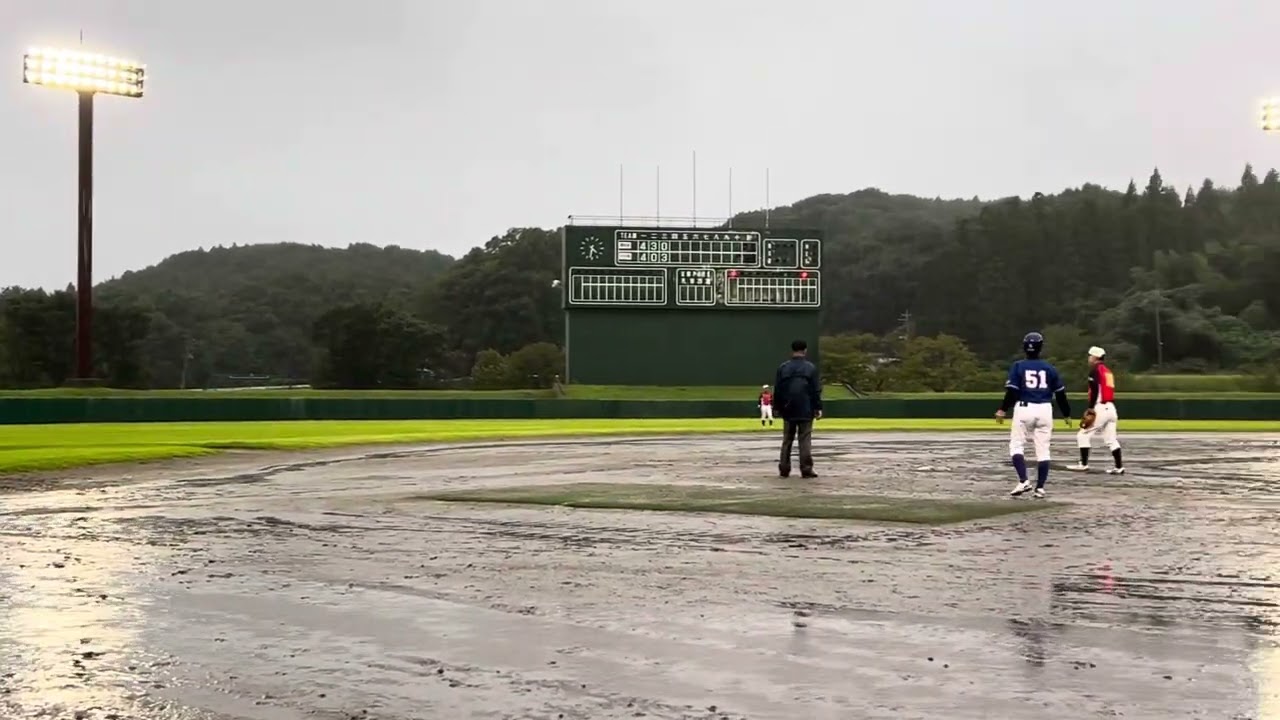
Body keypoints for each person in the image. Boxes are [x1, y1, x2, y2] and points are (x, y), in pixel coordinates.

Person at [996, 331, 1072, 498]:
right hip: (1045, 409)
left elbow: (1012, 392)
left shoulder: (1018, 366)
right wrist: (1066, 414)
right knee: (1043, 450)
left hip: (1024, 408)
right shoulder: (1050, 368)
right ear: (1041, 348)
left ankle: (1023, 480)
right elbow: (1060, 394)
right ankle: (1040, 488)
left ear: (1025, 347)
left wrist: (1002, 409)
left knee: (1016, 446)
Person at [1069, 346, 1124, 474]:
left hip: (1100, 407)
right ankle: (1119, 466)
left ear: (1095, 357)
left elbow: (1094, 391)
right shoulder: (1107, 371)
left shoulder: (1094, 371)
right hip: (1111, 408)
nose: (1089, 358)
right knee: (1111, 439)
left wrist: (1090, 408)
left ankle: (1083, 464)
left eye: (1090, 356)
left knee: (1083, 434)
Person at [773, 339, 823, 478]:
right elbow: (815, 390)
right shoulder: (810, 368)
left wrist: (776, 407)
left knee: (787, 439)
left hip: (788, 408)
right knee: (805, 439)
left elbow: (778, 389)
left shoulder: (783, 367)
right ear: (805, 350)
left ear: (792, 350)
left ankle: (784, 468)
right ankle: (806, 469)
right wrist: (818, 407)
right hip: (805, 408)